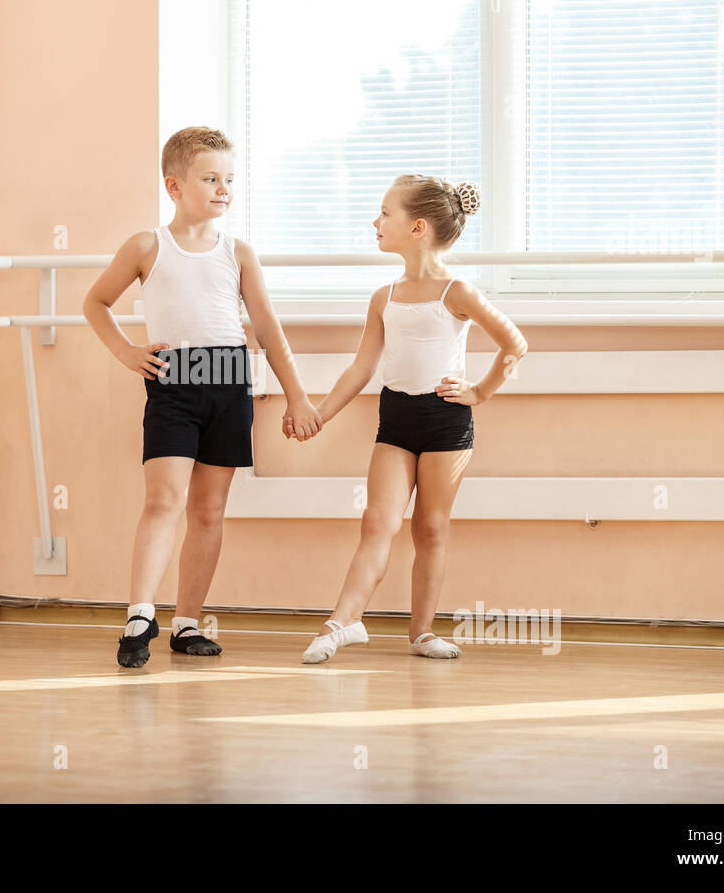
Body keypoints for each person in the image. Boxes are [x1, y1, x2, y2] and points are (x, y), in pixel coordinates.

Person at [83, 126, 323, 668]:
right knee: (163, 500)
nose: (223, 189)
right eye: (211, 178)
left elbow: (267, 328)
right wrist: (127, 352)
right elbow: (95, 302)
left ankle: (186, 623)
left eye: (229, 180)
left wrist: (298, 397)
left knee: (209, 509)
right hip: (173, 384)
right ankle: (140, 616)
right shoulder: (147, 246)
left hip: (229, 382)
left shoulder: (238, 252)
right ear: (174, 184)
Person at [286, 175, 527, 664]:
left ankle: (421, 633)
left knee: (431, 527)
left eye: (384, 213)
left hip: (445, 424)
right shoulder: (384, 296)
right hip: (394, 419)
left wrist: (479, 391)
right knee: (377, 521)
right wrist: (319, 415)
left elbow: (514, 344)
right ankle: (342, 623)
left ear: (417, 227)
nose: (375, 222)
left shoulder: (457, 291)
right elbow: (362, 366)